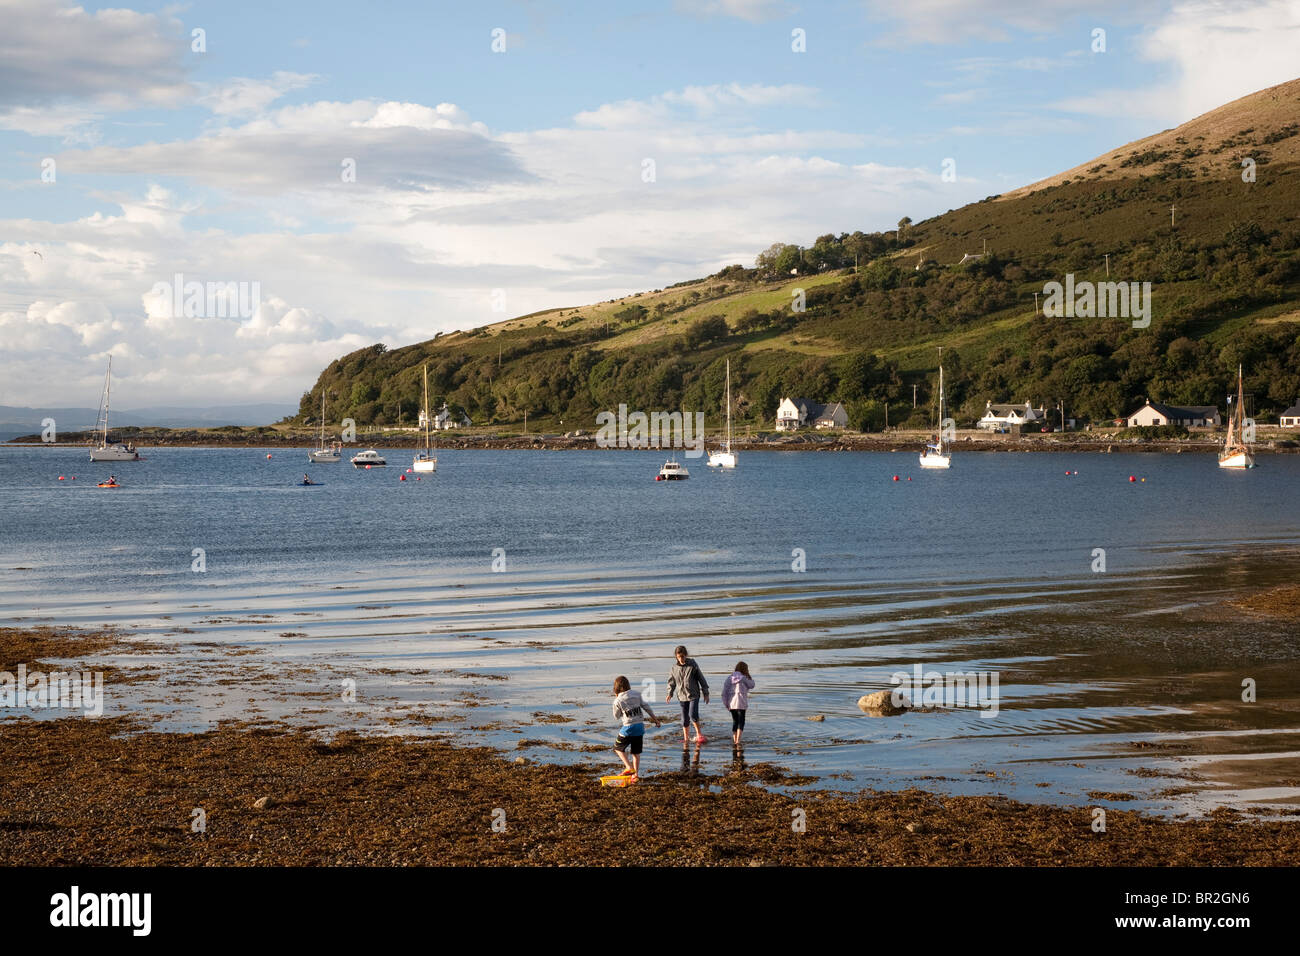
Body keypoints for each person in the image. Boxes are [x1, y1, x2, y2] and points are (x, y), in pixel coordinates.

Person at [612, 676, 660, 779]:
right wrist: (655, 720)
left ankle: (629, 767)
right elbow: (647, 707)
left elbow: (616, 716)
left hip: (629, 727)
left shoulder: (618, 700)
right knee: (636, 752)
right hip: (640, 727)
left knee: (618, 748)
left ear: (616, 688)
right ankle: (635, 775)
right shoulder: (637, 694)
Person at [665, 645, 709, 744]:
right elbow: (671, 682)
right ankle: (686, 738)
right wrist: (670, 693)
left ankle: (699, 735)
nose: (681, 659)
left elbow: (701, 678)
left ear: (686, 655)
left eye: (683, 656)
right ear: (676, 656)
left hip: (693, 695)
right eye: (679, 657)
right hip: (681, 696)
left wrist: (705, 693)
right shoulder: (674, 668)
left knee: (692, 714)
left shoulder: (693, 665)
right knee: (684, 719)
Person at [721, 662, 755, 747]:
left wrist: (726, 704)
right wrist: (748, 676)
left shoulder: (729, 678)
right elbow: (752, 685)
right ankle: (738, 741)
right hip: (741, 703)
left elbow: (724, 693)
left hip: (732, 704)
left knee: (735, 721)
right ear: (745, 669)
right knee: (741, 722)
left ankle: (735, 739)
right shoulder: (744, 678)